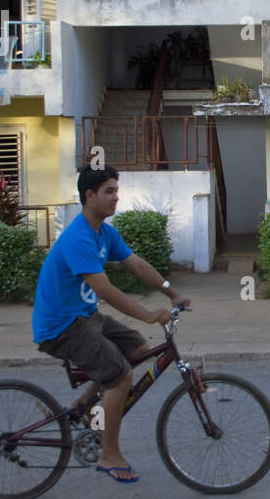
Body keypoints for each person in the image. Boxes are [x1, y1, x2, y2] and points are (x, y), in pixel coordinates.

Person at [32, 165, 187, 482]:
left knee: (141, 350)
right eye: (109, 191)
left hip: (85, 317)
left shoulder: (105, 232)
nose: (117, 197)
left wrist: (172, 293)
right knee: (120, 376)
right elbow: (103, 288)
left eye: (117, 190)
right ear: (89, 196)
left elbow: (137, 265)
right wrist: (146, 314)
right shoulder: (79, 237)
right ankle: (109, 455)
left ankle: (83, 406)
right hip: (61, 326)